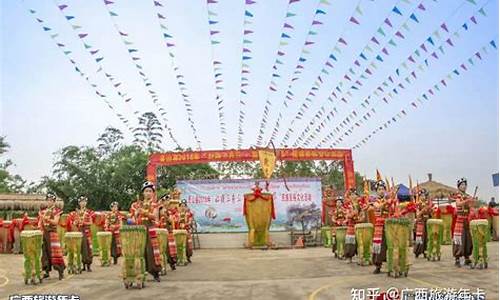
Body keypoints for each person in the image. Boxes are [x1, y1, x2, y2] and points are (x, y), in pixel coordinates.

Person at [130, 181, 162, 282]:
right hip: (140, 229)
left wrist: (144, 212)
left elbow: (155, 217)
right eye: (146, 191)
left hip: (150, 229)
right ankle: (139, 272)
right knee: (139, 251)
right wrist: (136, 213)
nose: (148, 193)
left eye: (150, 191)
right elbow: (133, 218)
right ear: (143, 193)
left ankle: (155, 272)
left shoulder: (155, 205)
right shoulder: (136, 204)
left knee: (151, 250)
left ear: (153, 193)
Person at [38, 193, 65, 280]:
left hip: (52, 233)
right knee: (45, 253)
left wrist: (48, 219)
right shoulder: (43, 211)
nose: (49, 202)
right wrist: (40, 228)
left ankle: (60, 272)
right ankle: (46, 271)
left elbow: (56, 222)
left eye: (51, 200)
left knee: (55, 253)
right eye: (48, 200)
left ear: (54, 201)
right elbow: (40, 223)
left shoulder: (57, 211)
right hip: (45, 233)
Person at [450, 178, 474, 267]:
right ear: (459, 186)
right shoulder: (458, 195)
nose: (464, 186)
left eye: (465, 185)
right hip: (460, 219)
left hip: (466, 220)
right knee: (459, 239)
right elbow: (458, 204)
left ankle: (467, 257)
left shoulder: (467, 195)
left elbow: (470, 206)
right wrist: (467, 201)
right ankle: (457, 258)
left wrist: (472, 202)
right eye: (462, 185)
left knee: (467, 239)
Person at [371, 180, 393, 274]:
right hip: (379, 226)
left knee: (389, 245)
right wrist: (387, 202)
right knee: (378, 246)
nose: (381, 191)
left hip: (388, 225)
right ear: (376, 191)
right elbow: (378, 206)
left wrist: (392, 202)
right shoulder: (374, 200)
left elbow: (392, 210)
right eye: (379, 189)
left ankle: (391, 265)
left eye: (383, 189)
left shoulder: (388, 199)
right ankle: (378, 266)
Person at [68, 196, 95, 272]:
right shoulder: (75, 213)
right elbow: (72, 222)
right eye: (81, 202)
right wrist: (75, 223)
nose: (83, 203)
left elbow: (91, 222)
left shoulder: (89, 212)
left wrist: (84, 223)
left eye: (84, 202)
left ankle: (88, 265)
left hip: (87, 232)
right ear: (79, 203)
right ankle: (82, 265)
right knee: (80, 248)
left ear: (86, 203)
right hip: (79, 232)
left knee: (88, 249)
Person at [413, 188, 433, 258]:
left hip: (427, 222)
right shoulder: (418, 204)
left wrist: (430, 209)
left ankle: (425, 251)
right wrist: (422, 211)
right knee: (420, 237)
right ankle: (417, 251)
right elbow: (417, 214)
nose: (423, 197)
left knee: (426, 237)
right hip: (420, 222)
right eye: (421, 195)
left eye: (424, 195)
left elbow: (430, 213)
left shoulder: (428, 203)